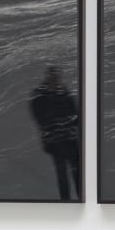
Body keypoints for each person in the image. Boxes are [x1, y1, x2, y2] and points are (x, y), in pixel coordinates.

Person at [28, 66, 81, 202]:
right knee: (63, 173)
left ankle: (78, 199)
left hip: (67, 139)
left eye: (57, 77)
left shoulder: (63, 93)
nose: (56, 80)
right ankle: (66, 201)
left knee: (75, 172)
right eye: (53, 77)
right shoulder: (42, 94)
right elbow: (40, 117)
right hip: (56, 140)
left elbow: (75, 114)